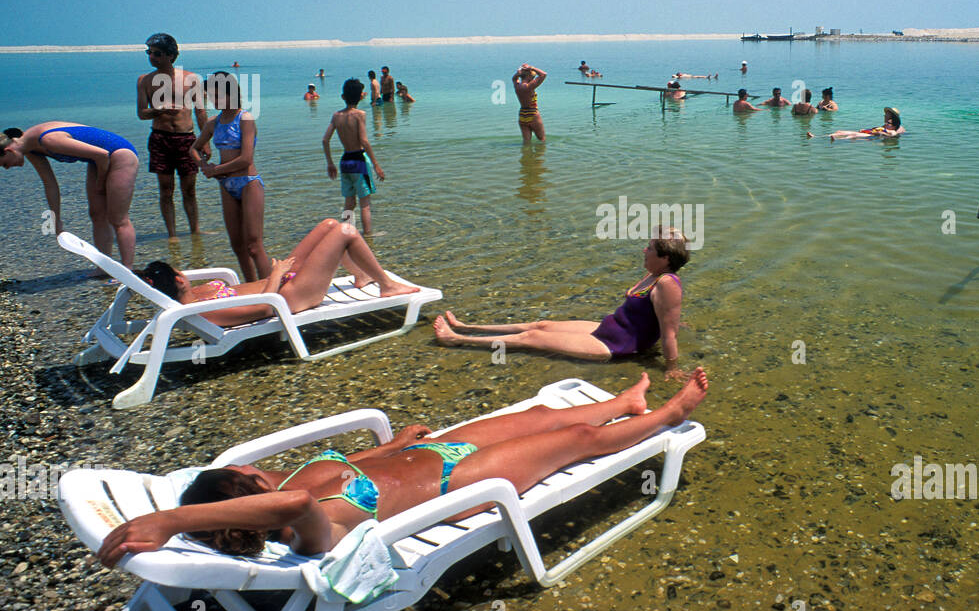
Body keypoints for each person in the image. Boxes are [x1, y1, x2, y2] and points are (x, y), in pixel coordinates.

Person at [94, 368, 709, 564]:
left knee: (547, 413)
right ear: (247, 493)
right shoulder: (303, 529)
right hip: (459, 486)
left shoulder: (292, 481)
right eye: (257, 481)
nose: (269, 479)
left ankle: (623, 403)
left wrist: (395, 445)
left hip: (434, 452)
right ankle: (665, 417)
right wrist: (173, 521)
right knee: (574, 437)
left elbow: (344, 461)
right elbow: (297, 504)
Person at [434, 231, 690, 381]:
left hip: (614, 345)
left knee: (531, 337)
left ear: (665, 258)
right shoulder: (654, 274)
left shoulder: (667, 283)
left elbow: (669, 333)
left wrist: (672, 368)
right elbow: (664, 315)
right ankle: (467, 326)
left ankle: (456, 339)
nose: (644, 250)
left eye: (651, 248)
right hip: (609, 328)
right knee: (541, 324)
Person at [137, 218, 418, 329]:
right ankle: (386, 285)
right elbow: (263, 308)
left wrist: (280, 273)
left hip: (283, 282)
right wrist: (277, 273)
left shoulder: (192, 296)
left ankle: (361, 275)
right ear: (178, 279)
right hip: (291, 297)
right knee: (346, 232)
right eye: (179, 271)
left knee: (330, 224)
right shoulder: (204, 311)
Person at [1, 122, 138, 266]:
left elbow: (102, 155)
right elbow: (50, 184)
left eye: (4, 164)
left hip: (119, 153)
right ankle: (104, 268)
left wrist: (100, 182)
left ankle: (127, 269)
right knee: (96, 214)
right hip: (97, 161)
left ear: (8, 151)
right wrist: (56, 219)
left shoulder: (48, 140)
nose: (7, 168)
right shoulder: (29, 148)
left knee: (118, 218)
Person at [191, 72, 268, 282]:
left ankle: (272, 291)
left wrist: (215, 170)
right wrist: (203, 165)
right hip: (226, 185)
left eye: (218, 96)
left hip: (248, 183)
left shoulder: (245, 118)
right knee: (238, 245)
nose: (214, 101)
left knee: (254, 244)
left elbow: (245, 159)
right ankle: (253, 288)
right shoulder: (213, 123)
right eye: (211, 97)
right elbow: (194, 148)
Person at [137, 33, 207, 239]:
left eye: (156, 54)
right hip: (160, 139)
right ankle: (172, 235)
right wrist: (159, 110)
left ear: (170, 55)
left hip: (187, 139)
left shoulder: (190, 79)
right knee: (166, 190)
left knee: (190, 190)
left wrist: (205, 142)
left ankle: (195, 231)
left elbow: (200, 111)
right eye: (149, 52)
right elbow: (141, 113)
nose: (151, 57)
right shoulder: (145, 81)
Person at [323, 79, 385, 235]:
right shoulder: (360, 115)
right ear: (361, 97)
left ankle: (344, 234)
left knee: (349, 202)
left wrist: (330, 163)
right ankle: (368, 236)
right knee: (365, 203)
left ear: (343, 97)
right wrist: (377, 165)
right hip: (359, 160)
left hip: (345, 161)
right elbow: (364, 140)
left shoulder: (336, 116)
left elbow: (325, 140)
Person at [810, 107, 905, 140]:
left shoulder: (894, 128)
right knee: (840, 131)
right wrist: (866, 130)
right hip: (868, 133)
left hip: (871, 137)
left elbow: (892, 134)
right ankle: (818, 136)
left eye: (886, 114)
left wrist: (879, 133)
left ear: (891, 117)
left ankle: (838, 140)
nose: (884, 115)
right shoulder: (885, 125)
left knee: (853, 135)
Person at [514, 64, 547, 143]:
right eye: (533, 77)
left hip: (522, 115)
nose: (533, 79)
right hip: (533, 114)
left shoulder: (517, 86)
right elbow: (543, 74)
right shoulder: (529, 86)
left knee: (526, 142)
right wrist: (532, 68)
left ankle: (526, 155)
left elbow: (514, 78)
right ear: (529, 76)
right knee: (542, 140)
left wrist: (517, 73)